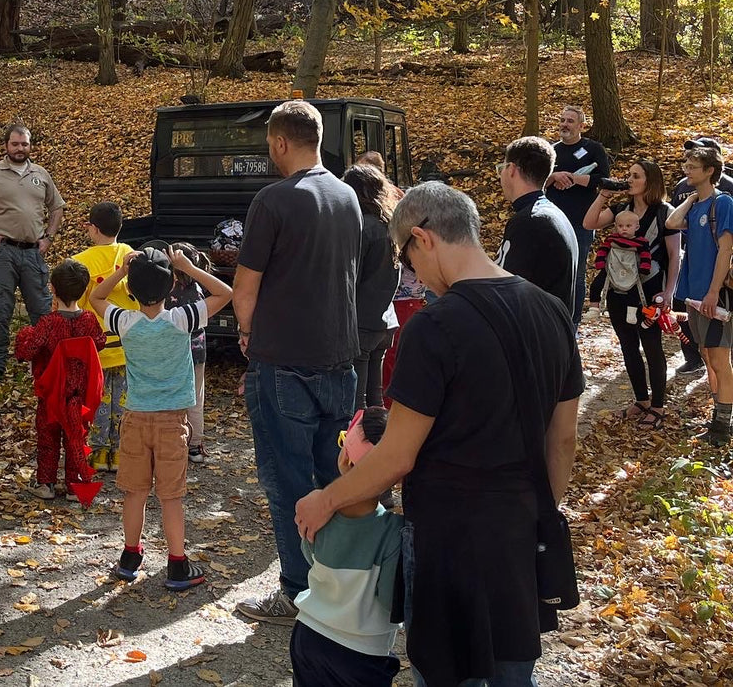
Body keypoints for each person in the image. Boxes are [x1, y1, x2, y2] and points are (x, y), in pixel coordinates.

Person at [295, 182, 583, 687]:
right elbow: (562, 439)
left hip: (449, 542)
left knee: (450, 673)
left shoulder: (434, 326)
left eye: (407, 260)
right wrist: (538, 511)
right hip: (519, 531)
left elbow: (398, 456)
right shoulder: (552, 311)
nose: (413, 276)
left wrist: (326, 500)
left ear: (422, 238)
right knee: (514, 673)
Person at [232, 99, 362, 625]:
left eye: (269, 143)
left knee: (286, 478)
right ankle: (336, 579)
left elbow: (246, 286)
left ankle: (296, 589)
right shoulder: (349, 195)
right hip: (339, 356)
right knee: (334, 475)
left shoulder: (273, 200)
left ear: (281, 142)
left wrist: (246, 331)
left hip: (283, 359)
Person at [93, 247, 232, 591]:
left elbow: (95, 296)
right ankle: (177, 564)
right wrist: (188, 266)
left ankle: (129, 557)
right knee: (171, 496)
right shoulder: (183, 319)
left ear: (131, 289)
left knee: (134, 493)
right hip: (172, 421)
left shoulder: (124, 321)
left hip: (136, 418)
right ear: (172, 284)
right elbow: (225, 293)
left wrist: (121, 272)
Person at [290, 406, 403, 687]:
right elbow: (391, 600)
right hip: (362, 651)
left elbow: (308, 553)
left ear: (344, 456)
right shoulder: (393, 531)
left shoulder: (319, 514)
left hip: (309, 633)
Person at [582, 160, 680, 430]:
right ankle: (642, 400)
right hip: (618, 291)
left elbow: (675, 255)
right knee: (628, 346)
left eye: (636, 176)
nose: (630, 179)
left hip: (649, 294)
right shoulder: (621, 211)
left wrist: (669, 291)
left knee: (651, 346)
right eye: (629, 175)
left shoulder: (665, 214)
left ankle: (658, 406)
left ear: (651, 181)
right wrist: (604, 194)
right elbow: (589, 222)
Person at [0, 122, 66, 380]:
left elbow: (57, 207)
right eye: (15, 144)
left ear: (30, 146)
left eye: (24, 144)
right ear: (6, 146)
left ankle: (48, 364)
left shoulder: (41, 174)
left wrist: (49, 238)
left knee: (42, 310)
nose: (20, 148)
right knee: (0, 310)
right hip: (3, 253)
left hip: (33, 253)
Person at [14, 259, 106, 500]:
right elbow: (99, 342)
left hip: (52, 394)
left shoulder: (49, 323)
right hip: (78, 394)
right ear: (86, 289)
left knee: (48, 438)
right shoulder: (88, 320)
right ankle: (76, 484)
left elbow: (27, 351)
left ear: (52, 288)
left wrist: (23, 335)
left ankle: (46, 483)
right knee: (76, 435)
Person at [666, 146, 733, 446]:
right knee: (707, 355)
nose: (686, 169)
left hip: (712, 295)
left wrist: (713, 291)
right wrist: (693, 197)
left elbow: (726, 250)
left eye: (693, 166)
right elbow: (671, 223)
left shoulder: (723, 203)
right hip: (693, 294)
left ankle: (722, 425)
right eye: (686, 164)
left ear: (710, 171)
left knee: (719, 359)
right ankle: (718, 414)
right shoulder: (695, 205)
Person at [71, 202, 136, 471]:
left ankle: (97, 453)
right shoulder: (130, 255)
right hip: (126, 345)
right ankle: (120, 453)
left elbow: (74, 304)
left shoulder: (79, 262)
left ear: (92, 229)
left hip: (95, 349)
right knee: (123, 401)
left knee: (97, 400)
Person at [544, 105, 610, 332]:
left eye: (570, 121)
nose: (564, 125)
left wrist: (573, 178)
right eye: (562, 120)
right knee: (551, 269)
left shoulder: (593, 149)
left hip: (581, 221)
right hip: (552, 222)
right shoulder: (551, 151)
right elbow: (537, 182)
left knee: (577, 272)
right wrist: (554, 176)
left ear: (581, 126)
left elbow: (604, 180)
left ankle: (572, 323)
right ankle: (550, 318)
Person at [496, 136, 579, 312]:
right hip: (553, 331)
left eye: (501, 168)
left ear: (511, 169)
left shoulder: (530, 221)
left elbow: (508, 291)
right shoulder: (553, 214)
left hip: (536, 334)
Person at [342, 165, 400, 410]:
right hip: (385, 318)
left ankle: (357, 446)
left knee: (356, 402)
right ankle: (376, 442)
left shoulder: (363, 227)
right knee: (375, 398)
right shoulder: (390, 225)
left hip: (361, 322)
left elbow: (351, 276)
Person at [166, 242, 213, 464]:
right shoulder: (199, 290)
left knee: (172, 397)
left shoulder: (166, 290)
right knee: (196, 398)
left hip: (172, 353)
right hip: (197, 352)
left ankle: (174, 441)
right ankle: (195, 446)